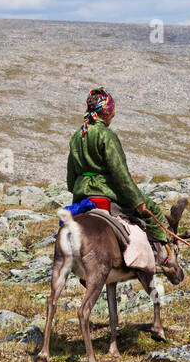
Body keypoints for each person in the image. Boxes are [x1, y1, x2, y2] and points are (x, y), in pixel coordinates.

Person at [65, 87, 173, 264]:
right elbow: (120, 173)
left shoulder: (77, 136)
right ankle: (162, 255)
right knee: (151, 209)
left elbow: (71, 179)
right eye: (112, 112)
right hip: (106, 191)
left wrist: (79, 189)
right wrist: (138, 201)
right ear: (106, 112)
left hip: (81, 194)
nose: (113, 116)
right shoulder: (106, 135)